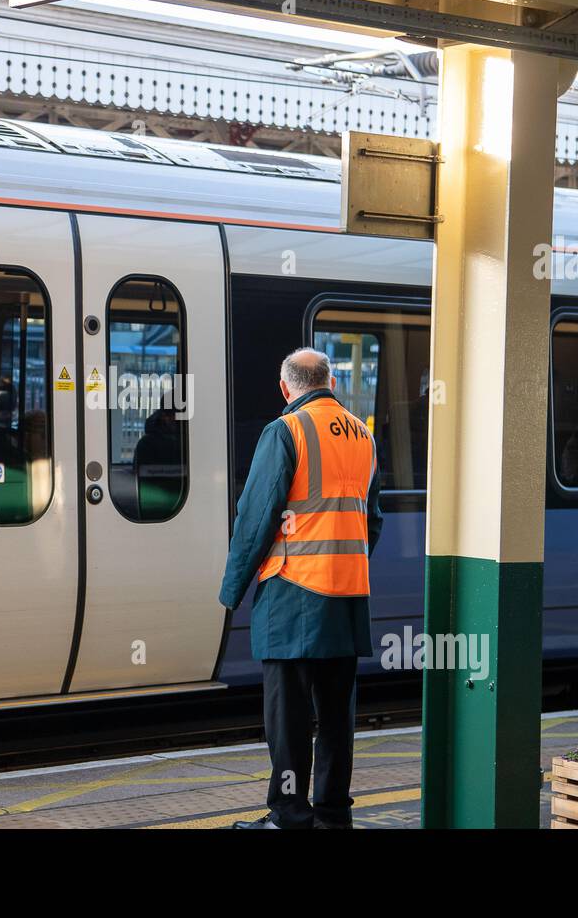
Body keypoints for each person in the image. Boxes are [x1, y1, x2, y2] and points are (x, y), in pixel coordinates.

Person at [219, 348, 382, 829]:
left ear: (286, 388)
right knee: (336, 718)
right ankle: (332, 816)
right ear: (330, 381)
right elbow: (371, 521)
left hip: (293, 593)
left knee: (288, 721)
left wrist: (233, 590)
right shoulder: (364, 436)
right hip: (348, 595)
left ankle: (289, 817)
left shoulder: (285, 430)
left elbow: (256, 516)